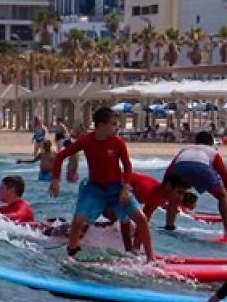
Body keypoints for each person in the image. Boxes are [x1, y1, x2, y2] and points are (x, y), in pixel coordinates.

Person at [49, 106, 151, 261]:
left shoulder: (118, 142)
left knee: (141, 219)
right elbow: (60, 156)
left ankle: (151, 258)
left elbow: (127, 165)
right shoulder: (86, 141)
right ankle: (71, 254)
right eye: (113, 124)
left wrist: (125, 188)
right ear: (101, 126)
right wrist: (55, 180)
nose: (117, 127)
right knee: (77, 222)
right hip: (94, 189)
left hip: (117, 189)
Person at [154, 132, 227, 237]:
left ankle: (169, 226)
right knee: (222, 196)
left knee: (174, 198)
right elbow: (224, 174)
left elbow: (170, 169)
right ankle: (226, 232)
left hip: (181, 167)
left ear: (196, 142)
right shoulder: (212, 151)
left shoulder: (185, 149)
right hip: (201, 169)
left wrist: (165, 189)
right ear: (211, 143)